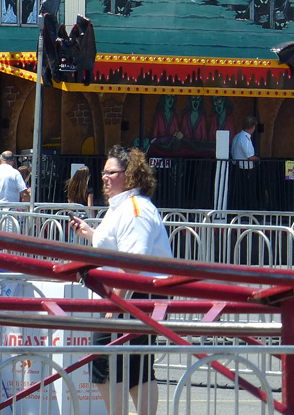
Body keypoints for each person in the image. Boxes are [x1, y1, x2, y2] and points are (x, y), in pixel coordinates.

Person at [71, 146, 172, 415]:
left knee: (104, 357)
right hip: (136, 295)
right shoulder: (121, 207)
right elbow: (118, 249)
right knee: (138, 367)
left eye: (111, 172)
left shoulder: (135, 210)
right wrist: (90, 234)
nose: (104, 177)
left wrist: (113, 303)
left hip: (136, 296)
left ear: (130, 175)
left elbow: (134, 264)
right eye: (103, 172)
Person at [230, 114, 259, 209]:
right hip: (245, 170)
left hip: (236, 167)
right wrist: (258, 159)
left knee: (240, 192)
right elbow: (250, 156)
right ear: (252, 127)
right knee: (247, 193)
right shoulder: (245, 139)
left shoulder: (237, 136)